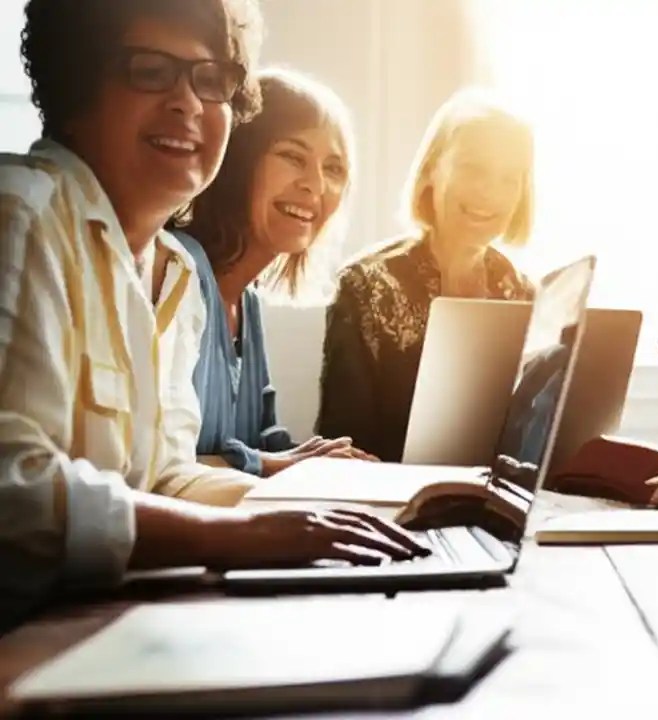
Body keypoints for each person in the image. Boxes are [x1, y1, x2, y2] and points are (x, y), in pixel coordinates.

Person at [0, 0, 426, 631]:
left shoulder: (170, 269)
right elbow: (13, 495)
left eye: (212, 79)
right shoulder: (21, 216)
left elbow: (170, 479)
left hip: (103, 626)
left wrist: (344, 512)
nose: (187, 103)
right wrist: (237, 534)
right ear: (77, 82)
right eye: (149, 70)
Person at [173, 68, 375, 477]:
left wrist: (321, 458)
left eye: (333, 169)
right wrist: (277, 464)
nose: (315, 185)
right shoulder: (177, 267)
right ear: (238, 160)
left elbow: (261, 444)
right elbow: (156, 469)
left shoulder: (247, 301)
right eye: (293, 157)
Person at [317, 89, 534, 462]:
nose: (490, 193)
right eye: (472, 169)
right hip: (389, 505)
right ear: (433, 169)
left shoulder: (524, 291)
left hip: (495, 501)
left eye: (508, 178)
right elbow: (343, 445)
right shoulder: (366, 285)